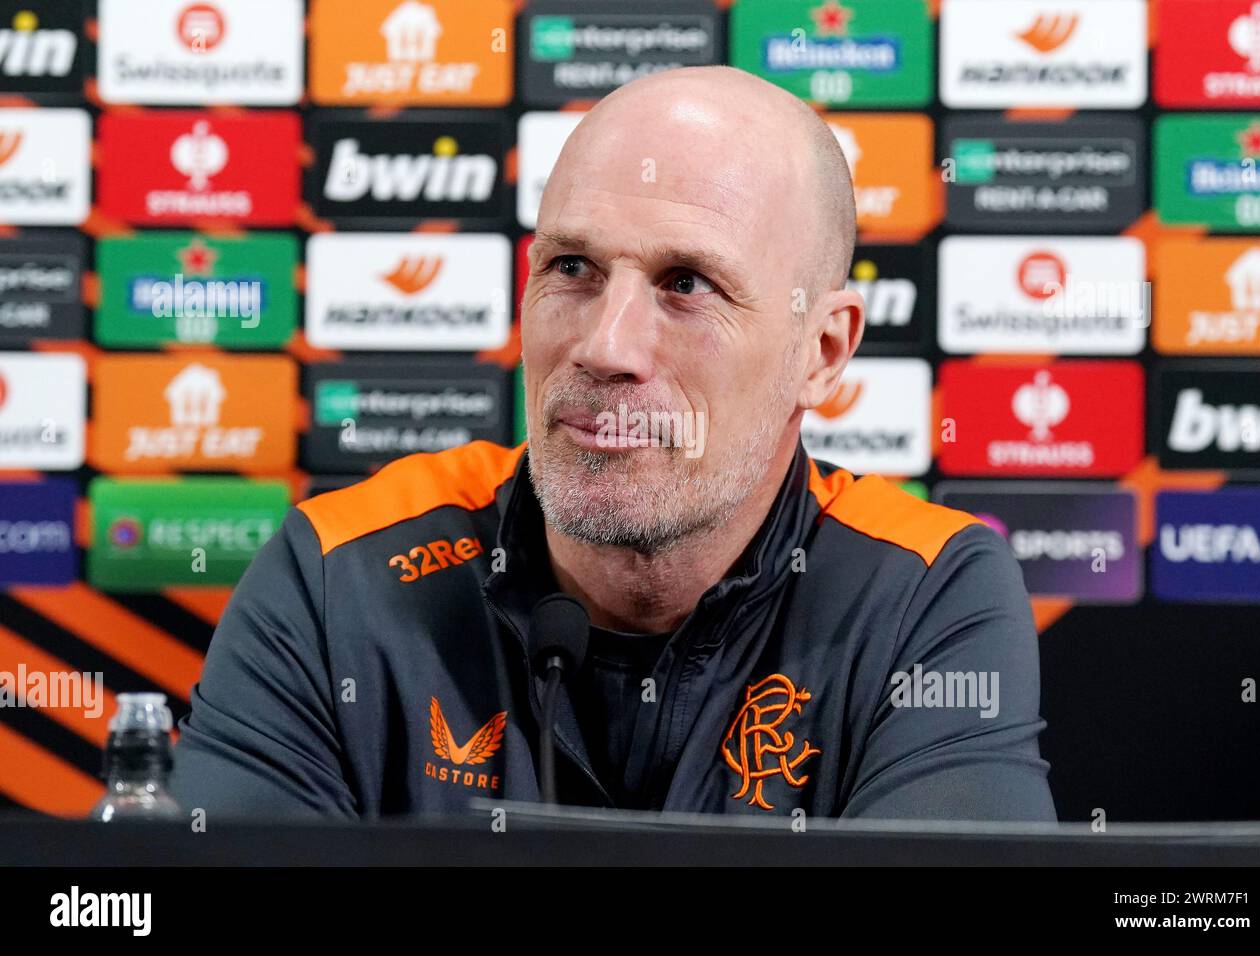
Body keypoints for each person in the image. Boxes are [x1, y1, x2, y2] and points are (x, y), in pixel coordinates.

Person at [170, 66, 1057, 822]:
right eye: (572, 269)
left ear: (819, 353)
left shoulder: (922, 594)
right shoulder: (339, 576)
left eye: (686, 284)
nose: (606, 345)